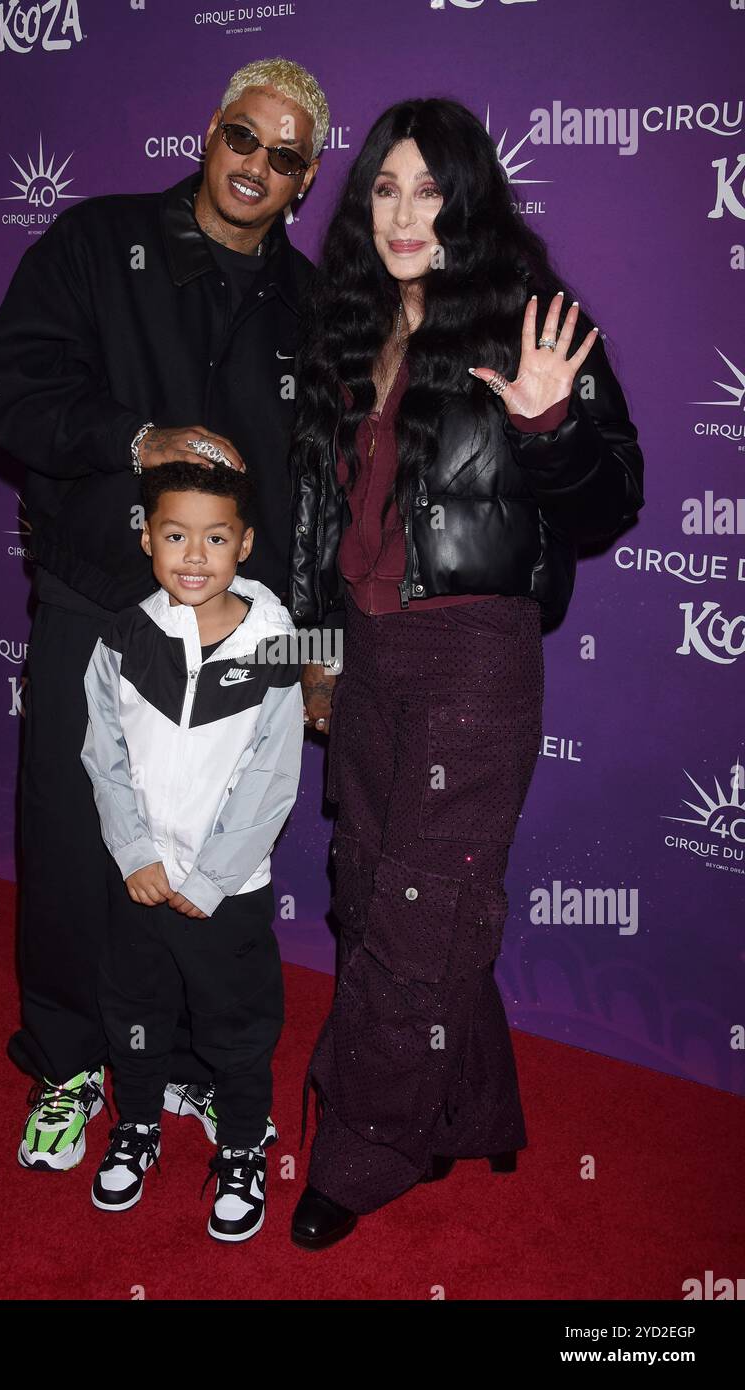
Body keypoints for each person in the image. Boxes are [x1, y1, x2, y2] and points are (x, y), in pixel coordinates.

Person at [286, 97, 645, 1249]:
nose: (405, 212)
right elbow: (310, 517)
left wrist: (550, 429)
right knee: (370, 890)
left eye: (430, 188)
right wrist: (312, 657)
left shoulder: (532, 323)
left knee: (417, 906)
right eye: (385, 188)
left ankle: (369, 1146)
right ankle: (473, 1102)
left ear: (469, 196)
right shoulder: (347, 328)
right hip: (365, 649)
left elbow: (611, 502)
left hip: (475, 652)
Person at [0, 58, 329, 1171]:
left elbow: (324, 500)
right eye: (242, 137)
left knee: (210, 851)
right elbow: (9, 392)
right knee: (79, 843)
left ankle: (175, 1054)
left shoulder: (317, 308)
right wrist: (136, 439)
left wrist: (318, 653)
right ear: (209, 130)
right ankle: (73, 1061)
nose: (254, 166)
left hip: (240, 639)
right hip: (101, 604)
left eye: (284, 156)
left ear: (305, 180)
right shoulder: (95, 244)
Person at [79, 461, 303, 1241]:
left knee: (234, 1025)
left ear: (244, 544)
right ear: (147, 539)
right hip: (137, 878)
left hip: (228, 892)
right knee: (133, 1013)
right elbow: (101, 756)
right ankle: (135, 1127)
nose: (195, 556)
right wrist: (133, 852)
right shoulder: (121, 635)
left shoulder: (277, 644)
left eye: (216, 537)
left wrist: (211, 879)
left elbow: (275, 778)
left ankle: (242, 1147)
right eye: (175, 535)